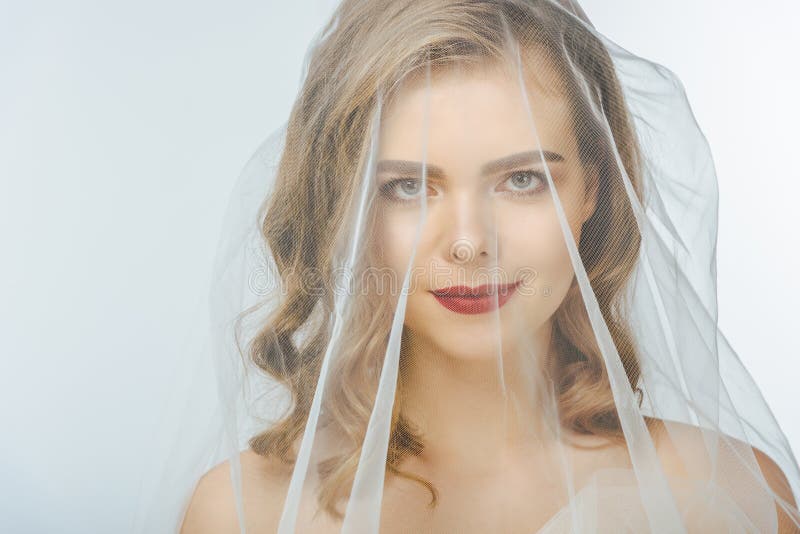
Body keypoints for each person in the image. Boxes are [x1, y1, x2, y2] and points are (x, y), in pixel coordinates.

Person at [165, 0, 800, 532]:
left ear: (594, 196)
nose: (469, 244)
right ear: (346, 207)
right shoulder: (242, 513)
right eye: (409, 187)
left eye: (522, 179)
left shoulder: (728, 501)